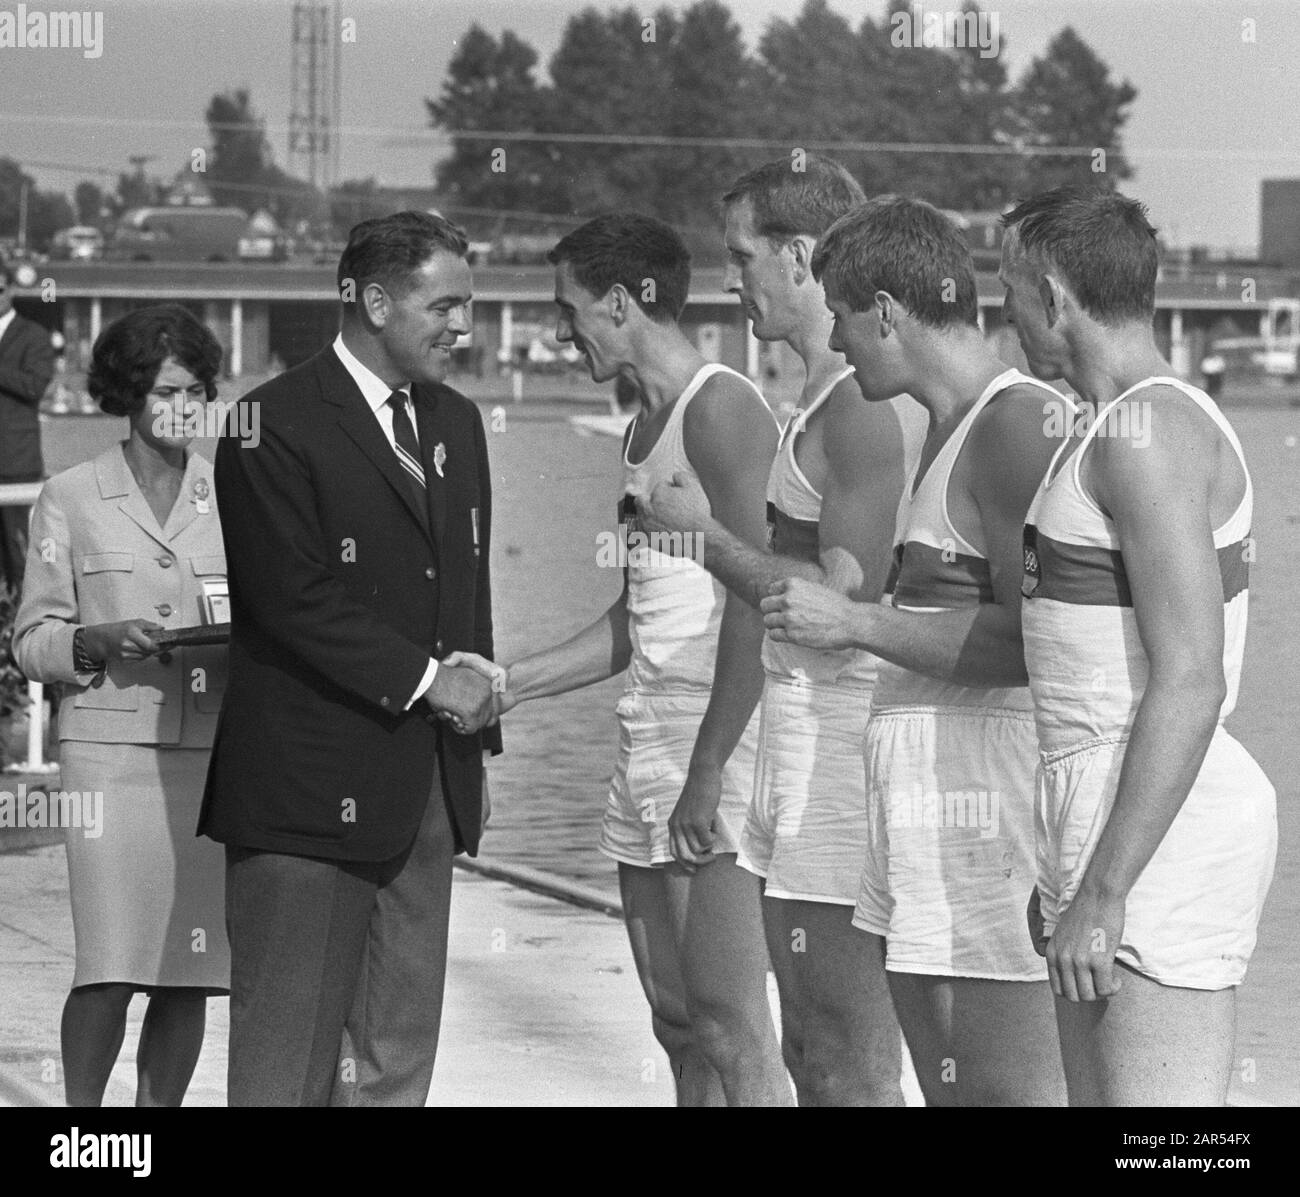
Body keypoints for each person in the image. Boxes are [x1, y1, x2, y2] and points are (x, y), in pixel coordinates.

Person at [453, 213, 789, 1106]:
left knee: (733, 1026)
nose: (561, 334)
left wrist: (710, 768)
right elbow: (639, 616)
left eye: (568, 312)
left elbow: (762, 597)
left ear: (618, 301)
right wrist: (512, 684)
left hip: (714, 741)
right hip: (646, 740)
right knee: (677, 1022)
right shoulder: (643, 426)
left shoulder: (722, 407)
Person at [760, 197, 1069, 1105]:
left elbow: (1033, 640)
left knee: (1007, 1095)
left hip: (995, 808)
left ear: (888, 312)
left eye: (845, 318)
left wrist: (855, 624)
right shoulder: (942, 423)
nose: (839, 341)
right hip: (924, 809)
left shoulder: (1014, 423)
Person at [197, 211, 500, 1107]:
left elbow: (467, 590)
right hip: (305, 800)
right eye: (444, 305)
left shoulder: (458, 422)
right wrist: (428, 681)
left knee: (395, 1062)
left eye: (468, 306)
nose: (463, 327)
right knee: (284, 1062)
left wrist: (475, 749)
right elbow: (291, 597)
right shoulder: (269, 423)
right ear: (372, 300)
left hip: (430, 796)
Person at [637, 156, 916, 1105]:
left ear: (801, 257)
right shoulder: (816, 403)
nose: (729, 278)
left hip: (841, 750)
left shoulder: (864, 414)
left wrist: (702, 536)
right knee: (803, 1049)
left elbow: (842, 607)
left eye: (743, 255)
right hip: (794, 748)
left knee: (843, 1054)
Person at [1001, 184, 1277, 1105]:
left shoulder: (1148, 431)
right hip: (1104, 798)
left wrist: (1107, 888)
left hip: (1163, 821)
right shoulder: (1104, 427)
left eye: (1008, 295)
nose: (1007, 321)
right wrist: (1068, 866)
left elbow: (1192, 679)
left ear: (1050, 293)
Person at [13, 304, 231, 1105]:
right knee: (108, 964)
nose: (189, 406)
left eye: (201, 390)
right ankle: (83, 1130)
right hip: (107, 758)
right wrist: (94, 641)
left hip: (211, 755)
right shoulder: (68, 496)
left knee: (189, 970)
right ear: (132, 394)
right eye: (173, 389)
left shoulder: (235, 492)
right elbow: (31, 637)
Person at [0, 259, 55, 596]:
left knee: (19, 557)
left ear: (11, 290)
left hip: (14, 463)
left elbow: (35, 386)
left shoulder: (34, 335)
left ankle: (19, 633)